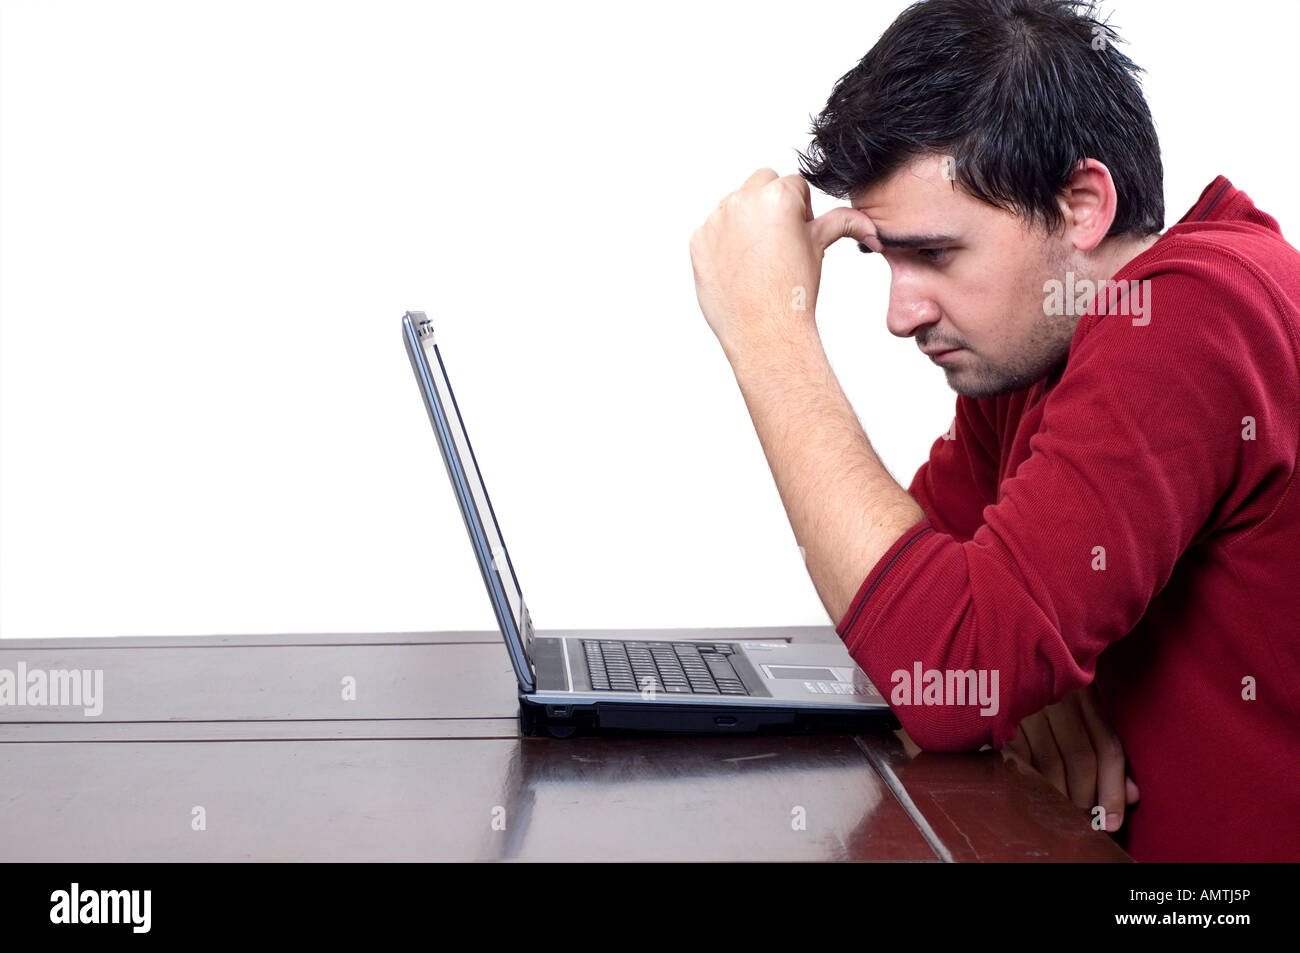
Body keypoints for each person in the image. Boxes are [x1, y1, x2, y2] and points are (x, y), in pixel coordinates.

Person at [688, 0, 1299, 862]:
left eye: (934, 255)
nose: (902, 314)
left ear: (1083, 204)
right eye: (887, 260)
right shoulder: (1038, 353)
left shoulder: (1190, 314)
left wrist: (768, 332)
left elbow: (941, 653)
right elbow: (912, 621)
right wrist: (1021, 679)